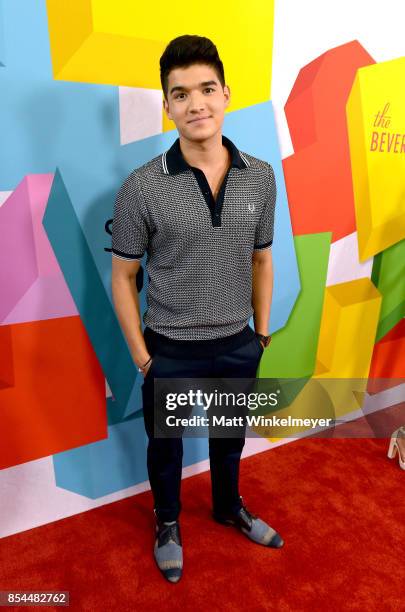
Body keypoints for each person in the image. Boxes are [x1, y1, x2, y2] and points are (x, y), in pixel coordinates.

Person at [111, 34, 282, 584]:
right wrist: (143, 360)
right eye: (180, 94)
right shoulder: (141, 186)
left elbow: (261, 258)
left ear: (226, 93)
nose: (195, 104)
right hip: (170, 349)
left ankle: (229, 505)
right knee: (165, 450)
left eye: (206, 89)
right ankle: (166, 522)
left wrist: (259, 333)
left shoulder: (261, 176)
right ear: (167, 106)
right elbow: (124, 276)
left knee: (229, 439)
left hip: (237, 344)